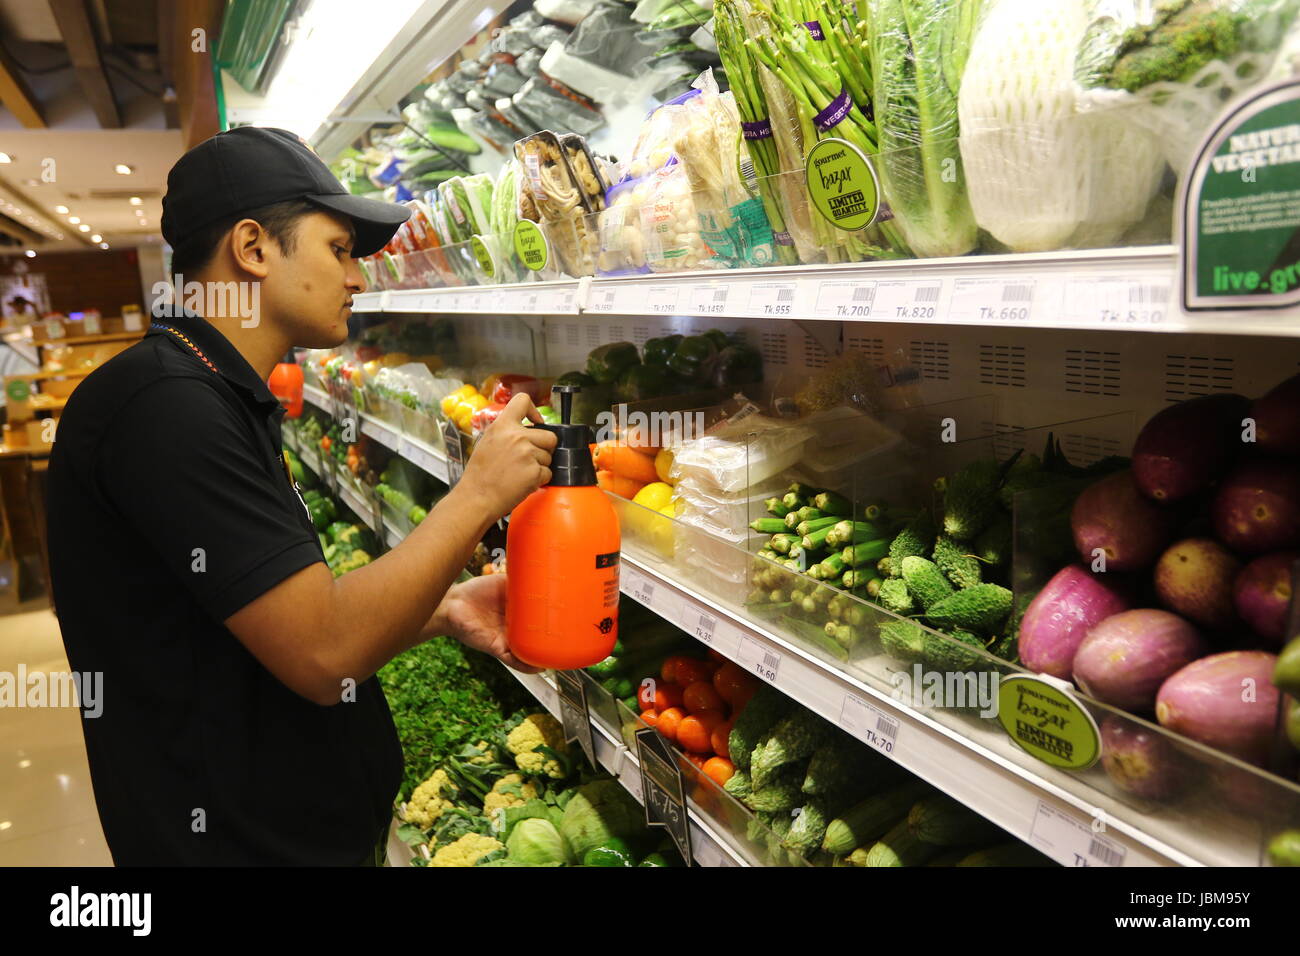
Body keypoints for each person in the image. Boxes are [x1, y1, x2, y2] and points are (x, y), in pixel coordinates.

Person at [46, 127, 557, 866]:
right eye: (339, 250)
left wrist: (442, 611)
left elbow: (269, 631)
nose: (357, 278)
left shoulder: (208, 392)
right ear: (253, 248)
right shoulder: (166, 410)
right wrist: (476, 493)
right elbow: (324, 656)